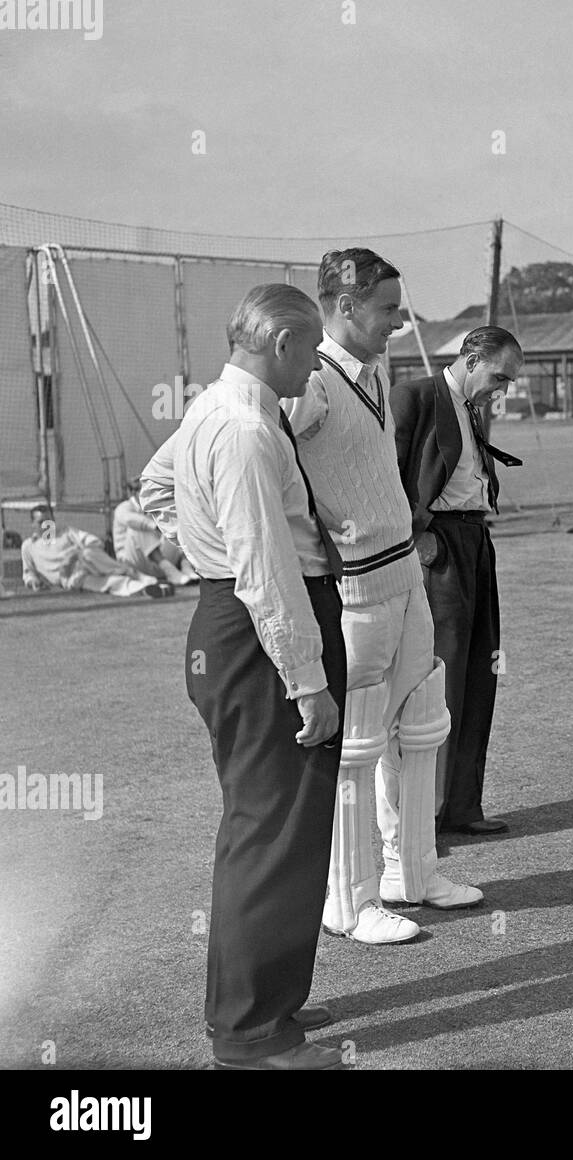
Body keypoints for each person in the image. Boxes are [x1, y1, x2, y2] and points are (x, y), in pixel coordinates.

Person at [139, 283, 345, 1069]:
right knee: (272, 830)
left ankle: (261, 1003)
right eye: (313, 347)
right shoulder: (247, 428)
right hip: (262, 635)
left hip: (232, 622)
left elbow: (157, 487)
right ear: (284, 344)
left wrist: (198, 543)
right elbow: (265, 569)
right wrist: (309, 682)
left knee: (270, 827)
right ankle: (252, 1037)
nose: (316, 362)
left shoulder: (212, 408)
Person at [283, 248, 482, 945]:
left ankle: (414, 870)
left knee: (423, 720)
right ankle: (348, 898)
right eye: (389, 309)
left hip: (406, 574)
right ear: (344, 307)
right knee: (358, 742)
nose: (401, 321)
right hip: (356, 585)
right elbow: (261, 447)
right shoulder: (306, 383)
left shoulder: (373, 370)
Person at [390, 326, 524, 836]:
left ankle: (463, 805)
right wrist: (416, 540)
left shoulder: (470, 406)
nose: (502, 389)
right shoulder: (414, 397)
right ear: (471, 358)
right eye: (498, 377)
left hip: (475, 544)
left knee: (477, 673)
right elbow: (389, 476)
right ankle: (421, 815)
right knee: (436, 682)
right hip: (438, 548)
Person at [21, 505, 173, 598]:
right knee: (110, 584)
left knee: (87, 553)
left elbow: (95, 542)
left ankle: (138, 576)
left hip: (87, 561)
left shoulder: (67, 532)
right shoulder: (28, 546)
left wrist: (74, 554)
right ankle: (146, 589)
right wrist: (32, 581)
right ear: (32, 524)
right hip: (71, 578)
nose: (47, 525)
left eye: (49, 520)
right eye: (41, 522)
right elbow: (28, 572)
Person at [113, 478, 198, 586]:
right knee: (138, 528)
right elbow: (130, 520)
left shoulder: (153, 506)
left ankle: (185, 567)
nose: (150, 495)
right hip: (132, 563)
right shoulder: (123, 508)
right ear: (133, 493)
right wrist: (155, 526)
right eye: (145, 491)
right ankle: (171, 573)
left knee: (176, 525)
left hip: (155, 562)